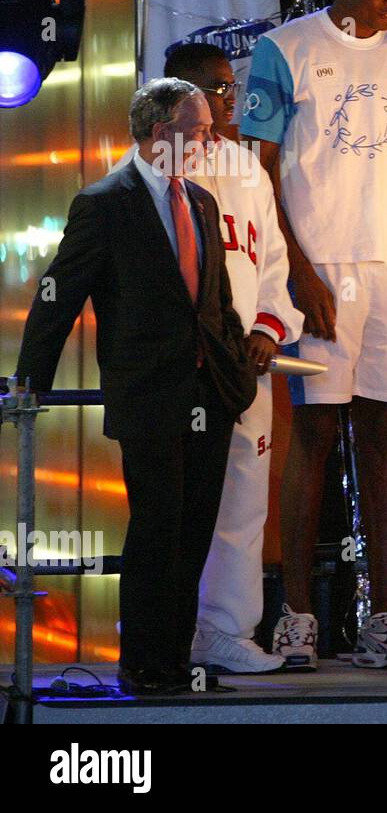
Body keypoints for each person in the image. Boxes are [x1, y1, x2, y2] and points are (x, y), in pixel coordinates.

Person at [240, 0, 387, 671]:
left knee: (381, 432)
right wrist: (295, 266)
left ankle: (383, 617)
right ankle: (296, 617)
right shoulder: (285, 48)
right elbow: (258, 168)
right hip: (321, 264)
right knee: (317, 432)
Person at [14, 79, 256, 696]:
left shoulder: (200, 200)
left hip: (210, 393)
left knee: (194, 526)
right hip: (148, 392)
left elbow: (217, 301)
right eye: (198, 129)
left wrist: (233, 369)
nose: (209, 140)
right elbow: (57, 297)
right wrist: (29, 384)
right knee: (157, 523)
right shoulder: (104, 203)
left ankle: (177, 661)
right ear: (159, 132)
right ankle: (144, 662)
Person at [154, 43, 304, 674]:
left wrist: (269, 330)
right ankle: (164, 632)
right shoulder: (148, 167)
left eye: (228, 89)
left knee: (243, 494)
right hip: (179, 364)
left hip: (244, 365)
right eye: (213, 89)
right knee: (173, 499)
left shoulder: (247, 169)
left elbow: (273, 264)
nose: (227, 101)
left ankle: (226, 630)